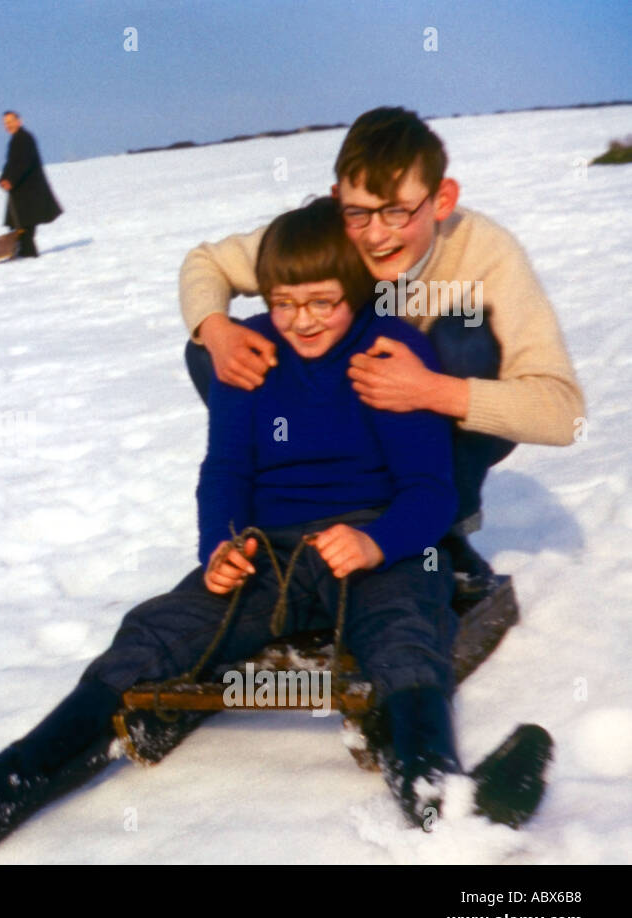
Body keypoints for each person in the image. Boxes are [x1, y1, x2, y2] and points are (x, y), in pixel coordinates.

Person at [0, 198, 513, 854]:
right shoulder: (249, 354)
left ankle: (436, 792)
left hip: (374, 543)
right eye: (285, 302)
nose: (303, 321)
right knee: (154, 632)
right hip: (268, 551)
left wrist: (377, 540)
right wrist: (220, 548)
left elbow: (431, 491)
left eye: (324, 301)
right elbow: (226, 470)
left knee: (405, 631)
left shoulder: (391, 351)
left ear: (357, 289)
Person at [179, 107, 584, 589]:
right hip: (346, 410)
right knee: (210, 348)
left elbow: (563, 414)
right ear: (337, 202)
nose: (376, 234)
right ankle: (297, 511)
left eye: (398, 211)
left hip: (435, 413)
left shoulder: (487, 254)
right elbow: (206, 264)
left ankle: (445, 527)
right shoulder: (330, 236)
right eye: (359, 212)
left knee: (463, 337)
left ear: (441, 200)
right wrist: (214, 328)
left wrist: (432, 391)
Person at [0, 111, 62, 258]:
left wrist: (10, 180)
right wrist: (4, 178)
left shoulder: (24, 138)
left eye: (10, 121)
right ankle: (24, 252)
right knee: (20, 223)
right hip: (21, 189)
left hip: (28, 190)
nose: (8, 125)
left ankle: (28, 254)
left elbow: (24, 163)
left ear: (19, 121)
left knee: (25, 223)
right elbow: (11, 163)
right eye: (5, 123)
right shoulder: (16, 139)